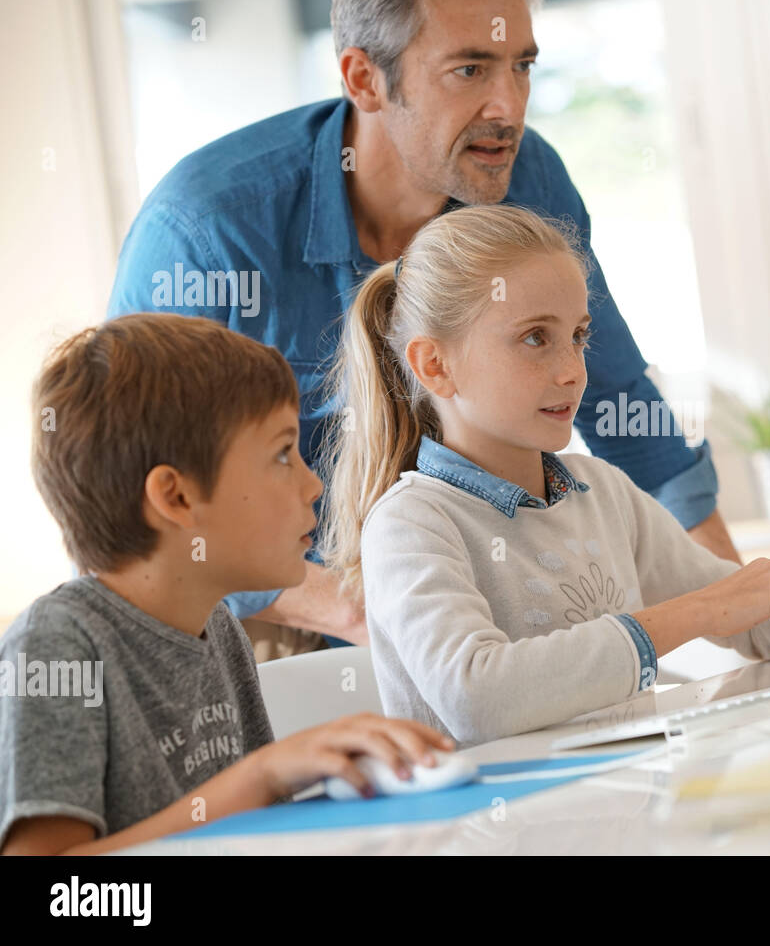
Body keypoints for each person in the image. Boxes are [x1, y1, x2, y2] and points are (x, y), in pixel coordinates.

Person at [106, 0, 741, 650]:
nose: (509, 108)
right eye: (470, 69)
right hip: (266, 612)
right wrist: (366, 607)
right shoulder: (206, 231)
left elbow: (618, 404)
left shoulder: (528, 182)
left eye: (521, 65)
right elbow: (133, 506)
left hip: (463, 585)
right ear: (364, 78)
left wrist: (737, 599)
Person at [317, 204, 770, 746]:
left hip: (628, 808)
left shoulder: (605, 492)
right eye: (535, 338)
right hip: (500, 827)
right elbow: (478, 699)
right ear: (435, 364)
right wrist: (697, 613)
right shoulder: (410, 524)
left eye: (578, 335)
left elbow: (749, 620)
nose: (573, 369)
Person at [0, 314, 455, 855]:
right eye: (283, 453)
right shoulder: (56, 644)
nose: (313, 485)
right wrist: (262, 777)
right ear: (177, 498)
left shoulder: (217, 626)